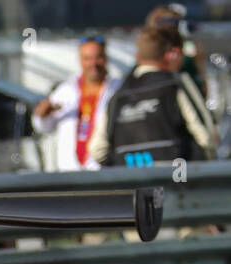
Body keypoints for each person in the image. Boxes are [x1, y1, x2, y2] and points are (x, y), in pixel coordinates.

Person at [89, 26, 214, 167]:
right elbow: (205, 138)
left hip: (130, 182)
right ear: (168, 56)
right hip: (175, 182)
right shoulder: (175, 85)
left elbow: (97, 150)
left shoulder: (118, 95)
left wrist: (120, 167)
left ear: (137, 57)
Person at [31, 36, 120, 172]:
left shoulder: (117, 89)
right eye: (87, 58)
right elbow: (44, 128)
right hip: (69, 172)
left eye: (98, 57)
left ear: (106, 58)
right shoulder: (65, 90)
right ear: (80, 60)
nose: (93, 63)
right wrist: (41, 115)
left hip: (103, 171)